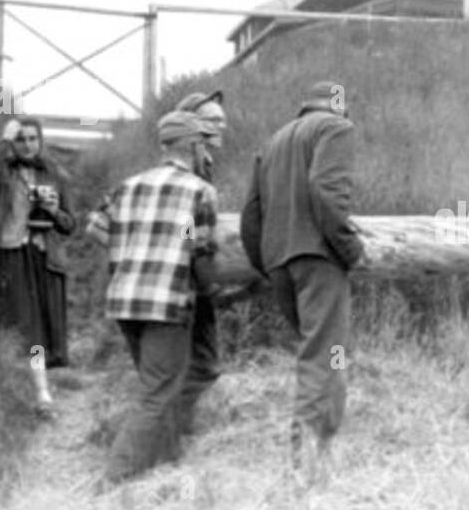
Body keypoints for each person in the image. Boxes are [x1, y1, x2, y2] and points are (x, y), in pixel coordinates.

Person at [86, 110, 220, 483]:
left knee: (158, 384)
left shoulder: (127, 186)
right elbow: (198, 247)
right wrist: (212, 289)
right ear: (193, 146)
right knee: (156, 393)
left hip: (125, 302)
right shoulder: (199, 191)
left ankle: (164, 458)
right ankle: (114, 480)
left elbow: (96, 230)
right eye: (204, 145)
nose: (207, 152)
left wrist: (132, 250)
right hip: (166, 302)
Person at [241, 80, 364, 467]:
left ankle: (323, 446)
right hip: (318, 256)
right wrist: (348, 247)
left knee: (323, 354)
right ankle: (306, 461)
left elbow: (250, 216)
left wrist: (268, 261)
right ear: (337, 107)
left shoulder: (272, 143)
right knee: (325, 355)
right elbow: (326, 190)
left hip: (279, 261)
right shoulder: (335, 128)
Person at [0, 116, 76, 418]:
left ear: (40, 141)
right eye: (21, 139)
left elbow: (71, 225)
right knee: (3, 326)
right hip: (7, 252)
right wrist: (4, 140)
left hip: (42, 256)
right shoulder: (2, 171)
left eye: (33, 139)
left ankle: (42, 393)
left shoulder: (56, 174)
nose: (27, 145)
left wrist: (54, 210)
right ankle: (8, 391)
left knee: (36, 328)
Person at [174, 88, 227, 435]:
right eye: (212, 120)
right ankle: (172, 431)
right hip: (185, 277)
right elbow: (186, 223)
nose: (222, 125)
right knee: (200, 363)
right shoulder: (189, 169)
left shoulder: (204, 163)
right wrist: (197, 252)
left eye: (222, 120)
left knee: (198, 360)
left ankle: (177, 429)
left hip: (193, 271)